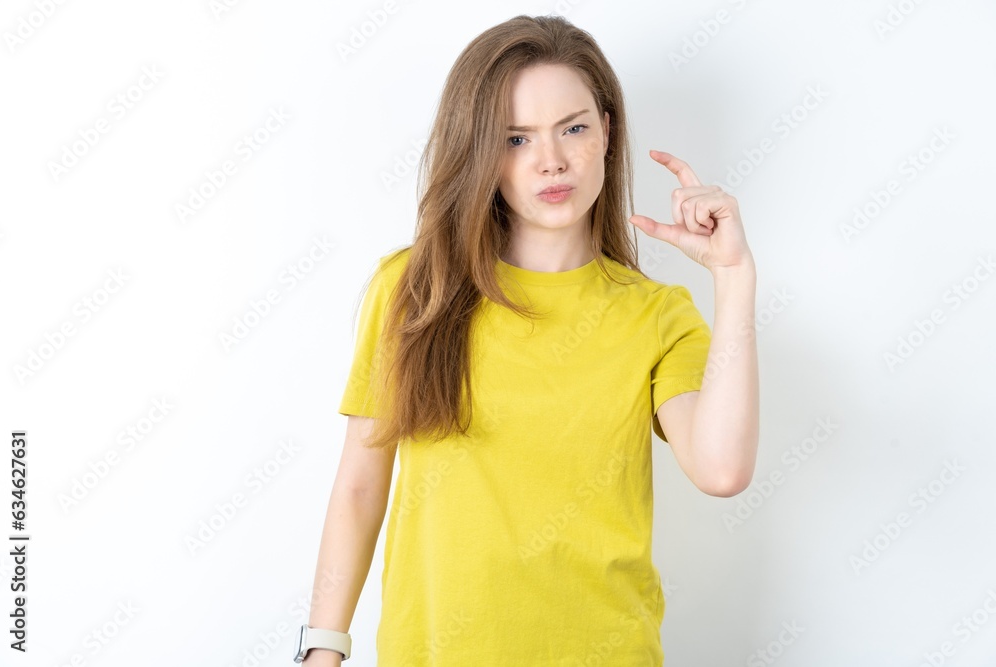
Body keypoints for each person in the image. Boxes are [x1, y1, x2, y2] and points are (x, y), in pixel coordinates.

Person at [298, 13, 759, 666]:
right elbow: (358, 486)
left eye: (573, 128)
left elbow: (722, 469)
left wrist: (734, 277)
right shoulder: (413, 288)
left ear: (607, 131)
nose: (551, 160)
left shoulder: (657, 315)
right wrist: (322, 648)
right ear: (480, 150)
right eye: (516, 138)